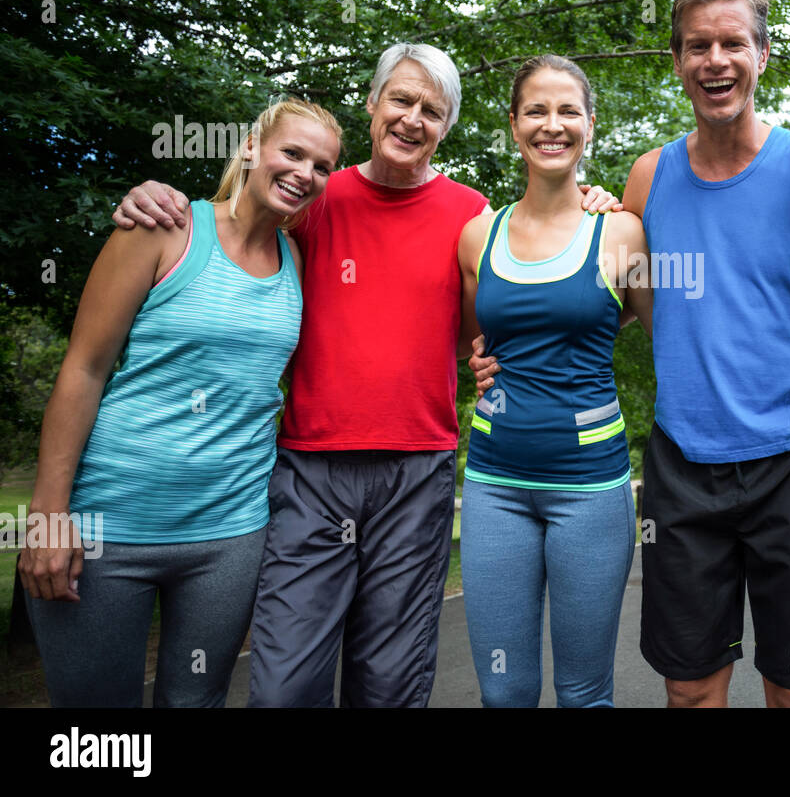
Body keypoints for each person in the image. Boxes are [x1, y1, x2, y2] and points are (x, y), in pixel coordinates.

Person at [113, 43, 618, 707]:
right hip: (312, 469)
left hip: (418, 471)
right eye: (401, 100)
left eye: (431, 111)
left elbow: (507, 315)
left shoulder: (473, 216)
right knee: (286, 684)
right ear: (374, 104)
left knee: (390, 685)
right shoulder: (316, 195)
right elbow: (235, 218)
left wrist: (594, 202)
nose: (412, 120)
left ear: (447, 126)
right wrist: (158, 197)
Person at [604, 0, 790, 706]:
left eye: (732, 43)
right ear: (677, 62)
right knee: (691, 689)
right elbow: (629, 301)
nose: (715, 60)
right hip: (684, 462)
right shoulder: (647, 176)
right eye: (698, 46)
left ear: (762, 55)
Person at [20, 98, 341, 707]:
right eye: (292, 153)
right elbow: (84, 370)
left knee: (195, 702)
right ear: (250, 148)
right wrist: (46, 516)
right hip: (108, 529)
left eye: (322, 166)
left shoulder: (297, 259)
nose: (305, 173)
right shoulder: (162, 226)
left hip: (230, 538)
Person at [456, 55, 652, 707]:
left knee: (583, 691)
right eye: (536, 110)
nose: (552, 124)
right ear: (513, 125)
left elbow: (652, 324)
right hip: (494, 485)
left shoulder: (621, 231)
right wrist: (479, 359)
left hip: (590, 491)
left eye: (568, 110)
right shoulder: (476, 237)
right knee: (505, 690)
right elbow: (474, 339)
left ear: (590, 124)